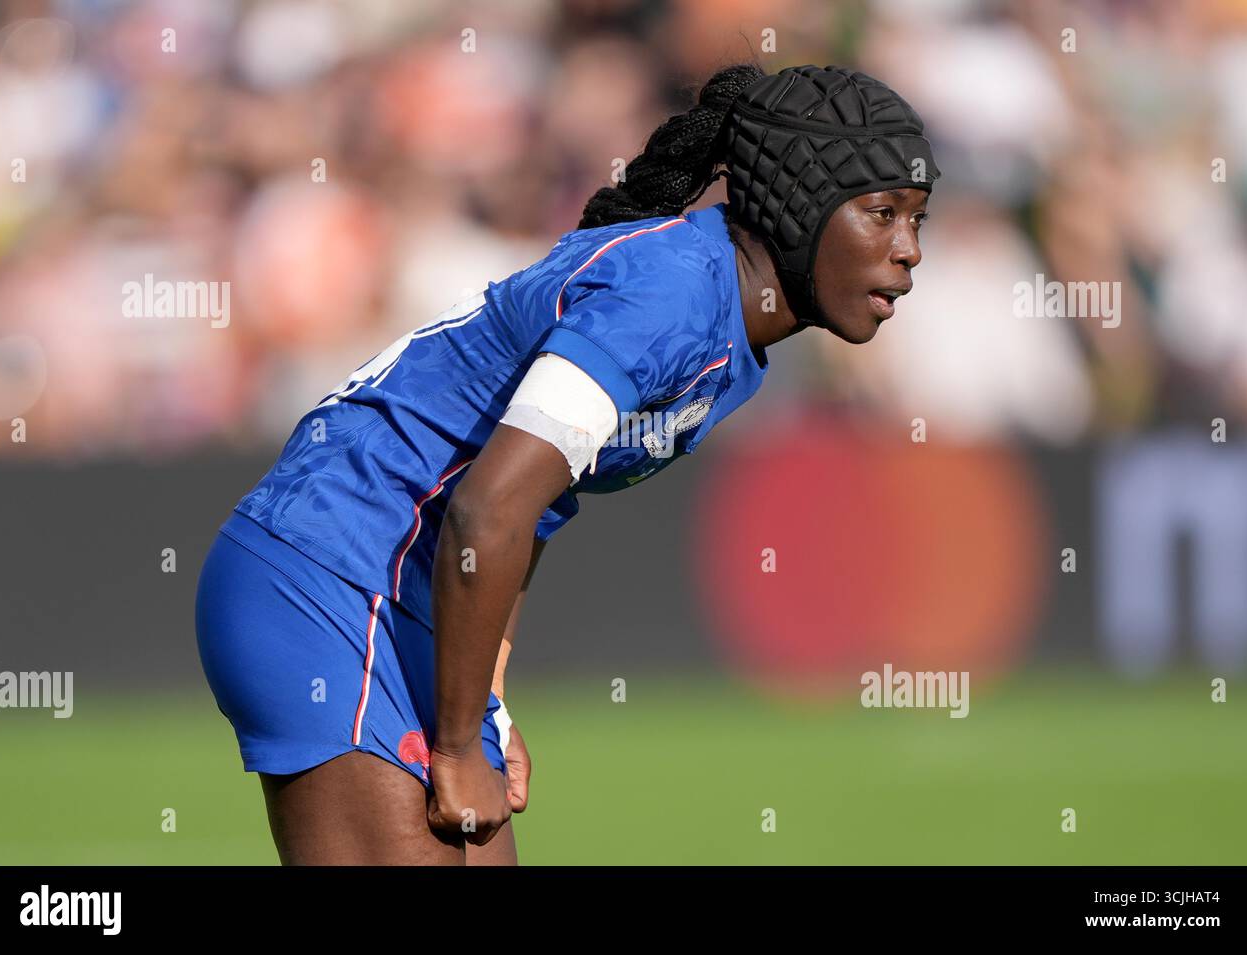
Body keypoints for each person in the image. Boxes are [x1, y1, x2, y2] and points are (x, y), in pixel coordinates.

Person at [194, 62, 940, 865]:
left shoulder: (732, 334)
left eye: (917, 219)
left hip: (409, 589)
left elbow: (531, 508)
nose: (909, 251)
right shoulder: (672, 295)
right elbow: (489, 508)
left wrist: (487, 700)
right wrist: (456, 746)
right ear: (797, 203)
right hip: (329, 575)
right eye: (882, 213)